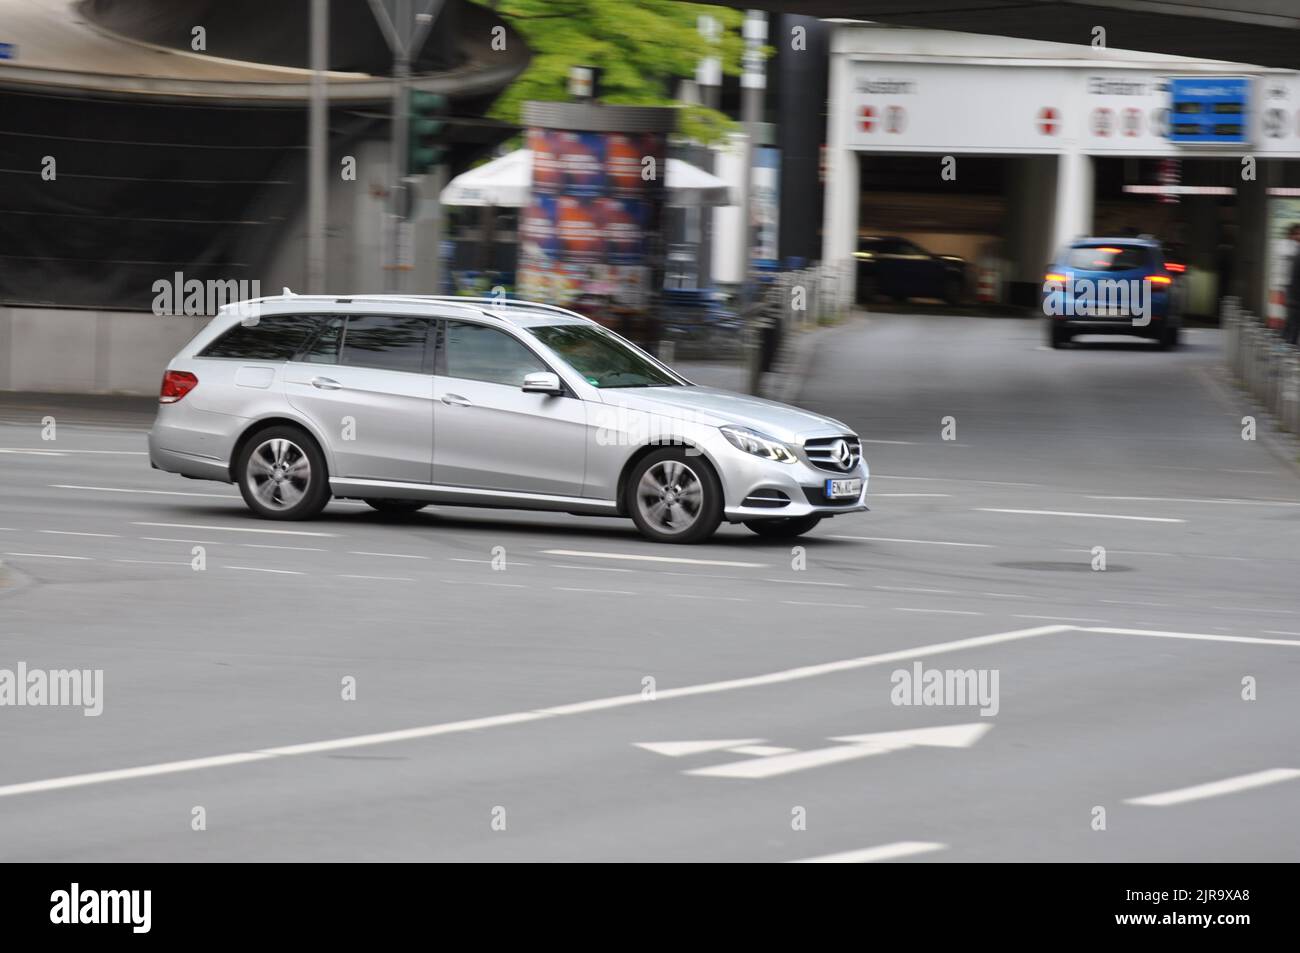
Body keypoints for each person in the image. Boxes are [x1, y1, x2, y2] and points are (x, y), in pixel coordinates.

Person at [1287, 224, 1300, 345]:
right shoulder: (1296, 254)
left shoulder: (1296, 253)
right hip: (1296, 300)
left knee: (1293, 331)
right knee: (1293, 332)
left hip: (1294, 299)